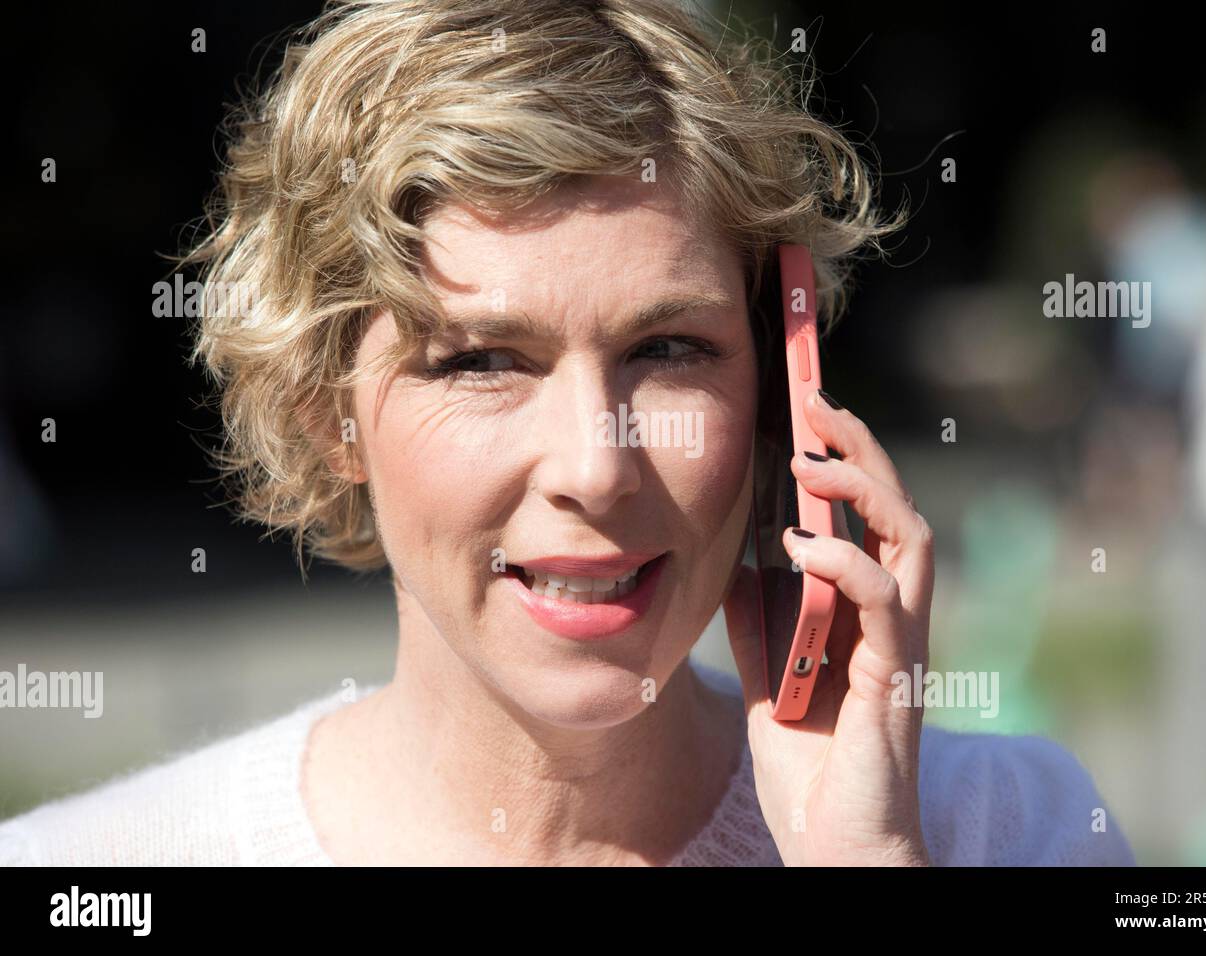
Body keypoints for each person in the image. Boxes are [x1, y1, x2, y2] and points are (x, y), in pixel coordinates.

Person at [0, 0, 1134, 866]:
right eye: (484, 360)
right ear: (324, 412)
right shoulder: (90, 868)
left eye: (670, 348)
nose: (596, 464)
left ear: (785, 395)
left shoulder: (1007, 828)